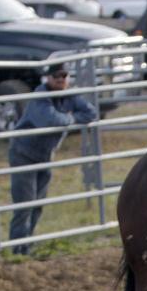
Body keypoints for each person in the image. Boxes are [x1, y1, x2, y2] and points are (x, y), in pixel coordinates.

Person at [7, 63, 98, 255]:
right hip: (24, 154)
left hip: (45, 156)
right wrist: (72, 118)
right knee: (25, 205)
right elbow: (49, 120)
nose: (61, 79)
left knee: (38, 204)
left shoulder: (69, 96)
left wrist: (66, 118)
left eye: (64, 75)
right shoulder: (40, 97)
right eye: (56, 75)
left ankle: (27, 245)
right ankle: (17, 249)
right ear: (47, 78)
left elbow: (91, 112)